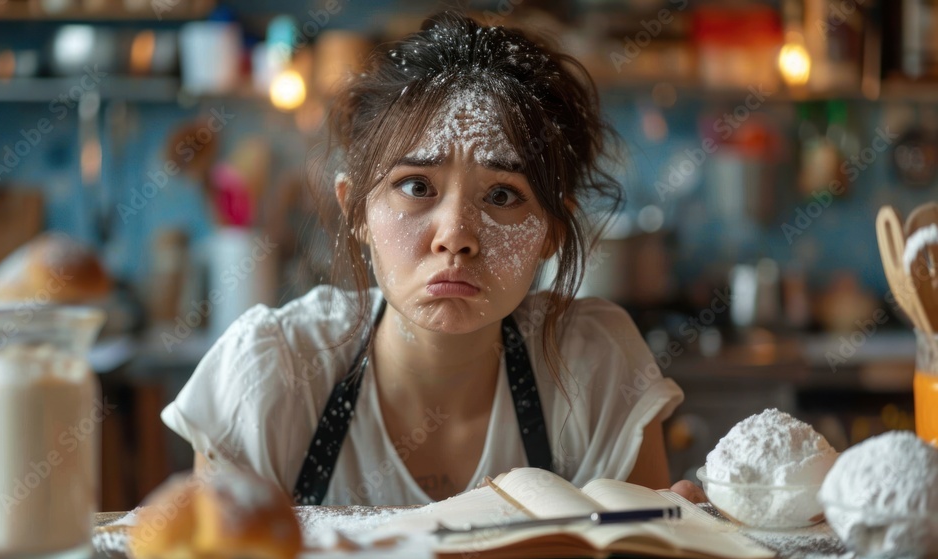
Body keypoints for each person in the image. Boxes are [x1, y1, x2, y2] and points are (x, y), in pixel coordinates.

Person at [162, 11, 693, 506]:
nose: (456, 237)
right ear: (357, 211)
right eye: (417, 186)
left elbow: (638, 541)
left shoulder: (593, 370)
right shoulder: (270, 378)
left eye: (503, 195)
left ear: (552, 231)